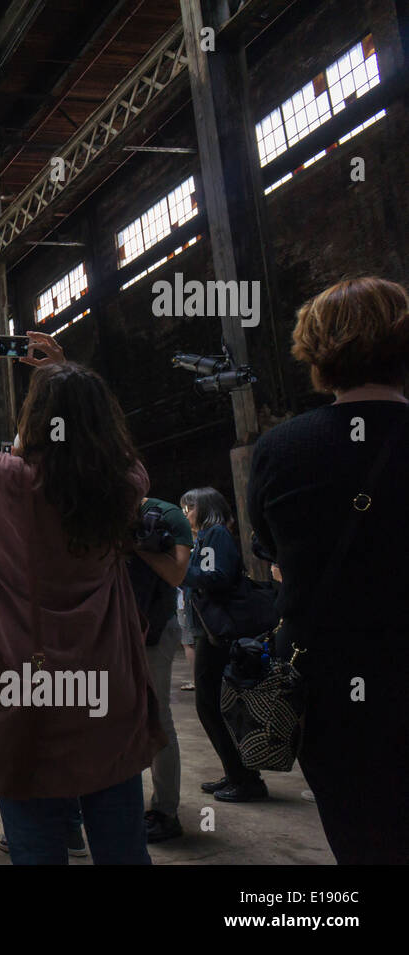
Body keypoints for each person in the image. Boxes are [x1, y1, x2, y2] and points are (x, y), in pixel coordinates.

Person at [0, 330, 163, 865]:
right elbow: (119, 456)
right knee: (123, 843)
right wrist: (65, 378)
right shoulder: (125, 482)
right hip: (106, 685)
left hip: (23, 683)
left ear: (32, 420)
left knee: (35, 838)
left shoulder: (2, 480)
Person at [248, 276, 409, 863]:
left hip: (332, 685)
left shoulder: (280, 450)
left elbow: (268, 549)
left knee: (361, 834)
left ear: (316, 355)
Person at [179, 487, 268, 803]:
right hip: (212, 631)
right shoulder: (207, 537)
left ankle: (245, 779)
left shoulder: (215, 534)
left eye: (188, 508)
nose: (186, 514)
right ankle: (237, 773)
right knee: (213, 705)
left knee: (211, 705)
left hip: (221, 633)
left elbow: (216, 576)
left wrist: (179, 568)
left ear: (203, 508)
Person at [128, 497, 194, 842]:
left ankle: (166, 811)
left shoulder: (167, 515)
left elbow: (176, 572)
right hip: (117, 633)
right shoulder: (101, 509)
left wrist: (134, 546)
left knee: (157, 716)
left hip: (154, 632)